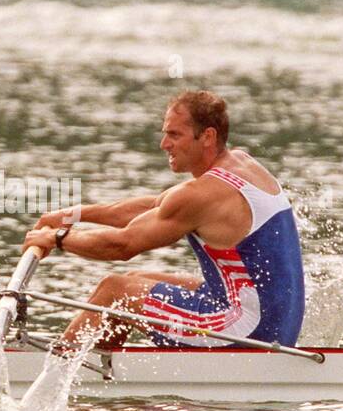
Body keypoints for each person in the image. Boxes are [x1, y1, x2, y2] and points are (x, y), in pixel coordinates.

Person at [22, 89, 304, 351]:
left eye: (175, 135)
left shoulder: (203, 193)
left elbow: (122, 246)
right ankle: (103, 369)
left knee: (115, 290)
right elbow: (155, 207)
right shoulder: (240, 163)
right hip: (273, 323)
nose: (164, 144)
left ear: (207, 136)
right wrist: (72, 215)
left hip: (251, 331)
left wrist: (56, 239)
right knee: (135, 280)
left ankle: (56, 370)